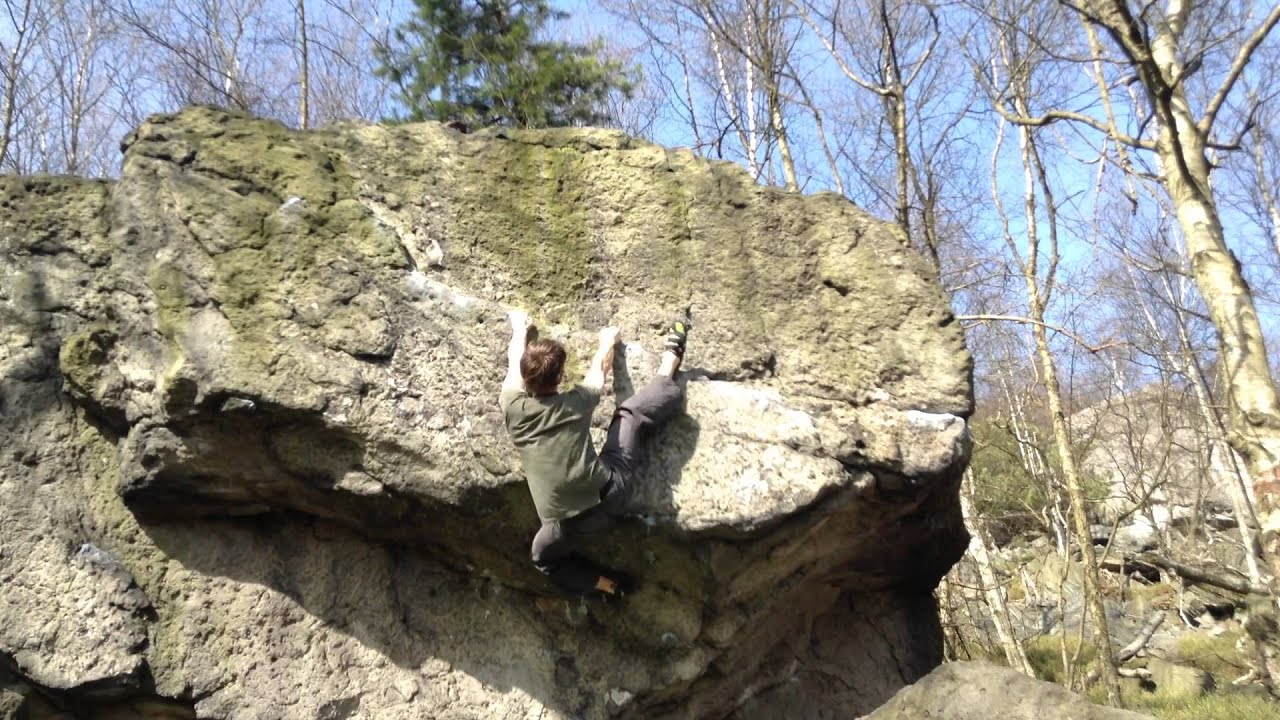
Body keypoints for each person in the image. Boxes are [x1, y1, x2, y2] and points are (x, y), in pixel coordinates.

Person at [499, 309, 691, 597]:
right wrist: (606, 341)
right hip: (611, 492)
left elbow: (515, 359)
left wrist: (519, 327)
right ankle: (670, 362)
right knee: (630, 414)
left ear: (526, 380)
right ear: (561, 376)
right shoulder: (577, 401)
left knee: (543, 559)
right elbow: (601, 370)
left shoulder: (512, 407)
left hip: (567, 526)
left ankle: (608, 586)